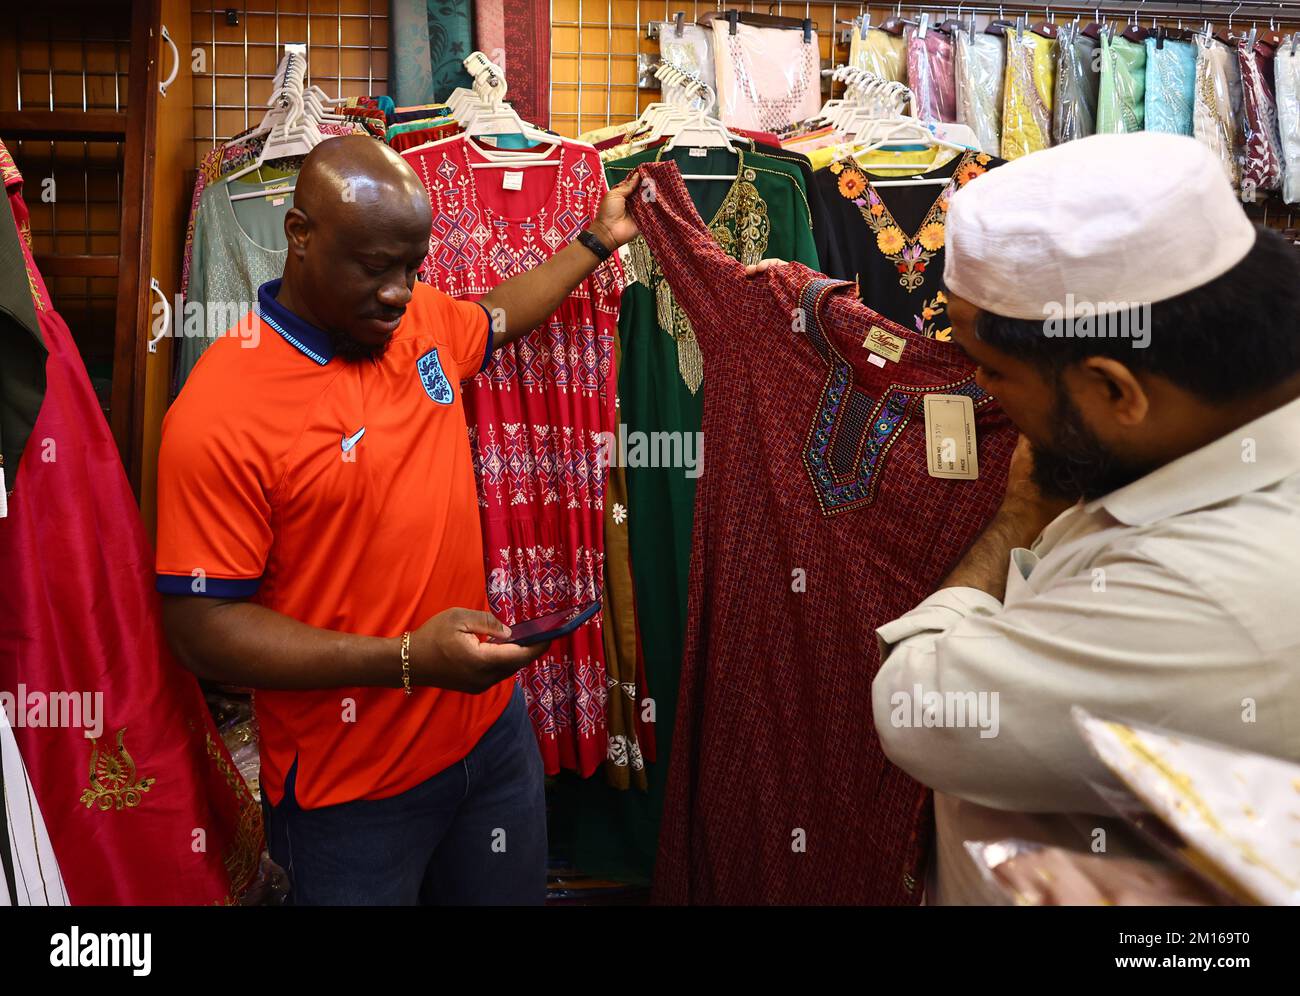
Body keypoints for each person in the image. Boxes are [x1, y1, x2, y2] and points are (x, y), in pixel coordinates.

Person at [156, 136, 641, 905]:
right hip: (351, 798)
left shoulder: (415, 324)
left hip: (490, 746)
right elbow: (201, 628)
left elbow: (492, 318)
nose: (400, 292)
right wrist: (407, 660)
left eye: (414, 268)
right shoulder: (219, 412)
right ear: (301, 235)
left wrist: (595, 240)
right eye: (377, 268)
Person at [864, 132, 1300, 904]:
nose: (980, 391)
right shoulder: (1196, 451)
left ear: (1115, 391)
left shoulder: (1208, 589)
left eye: (992, 369)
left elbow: (919, 707)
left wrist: (1017, 519)